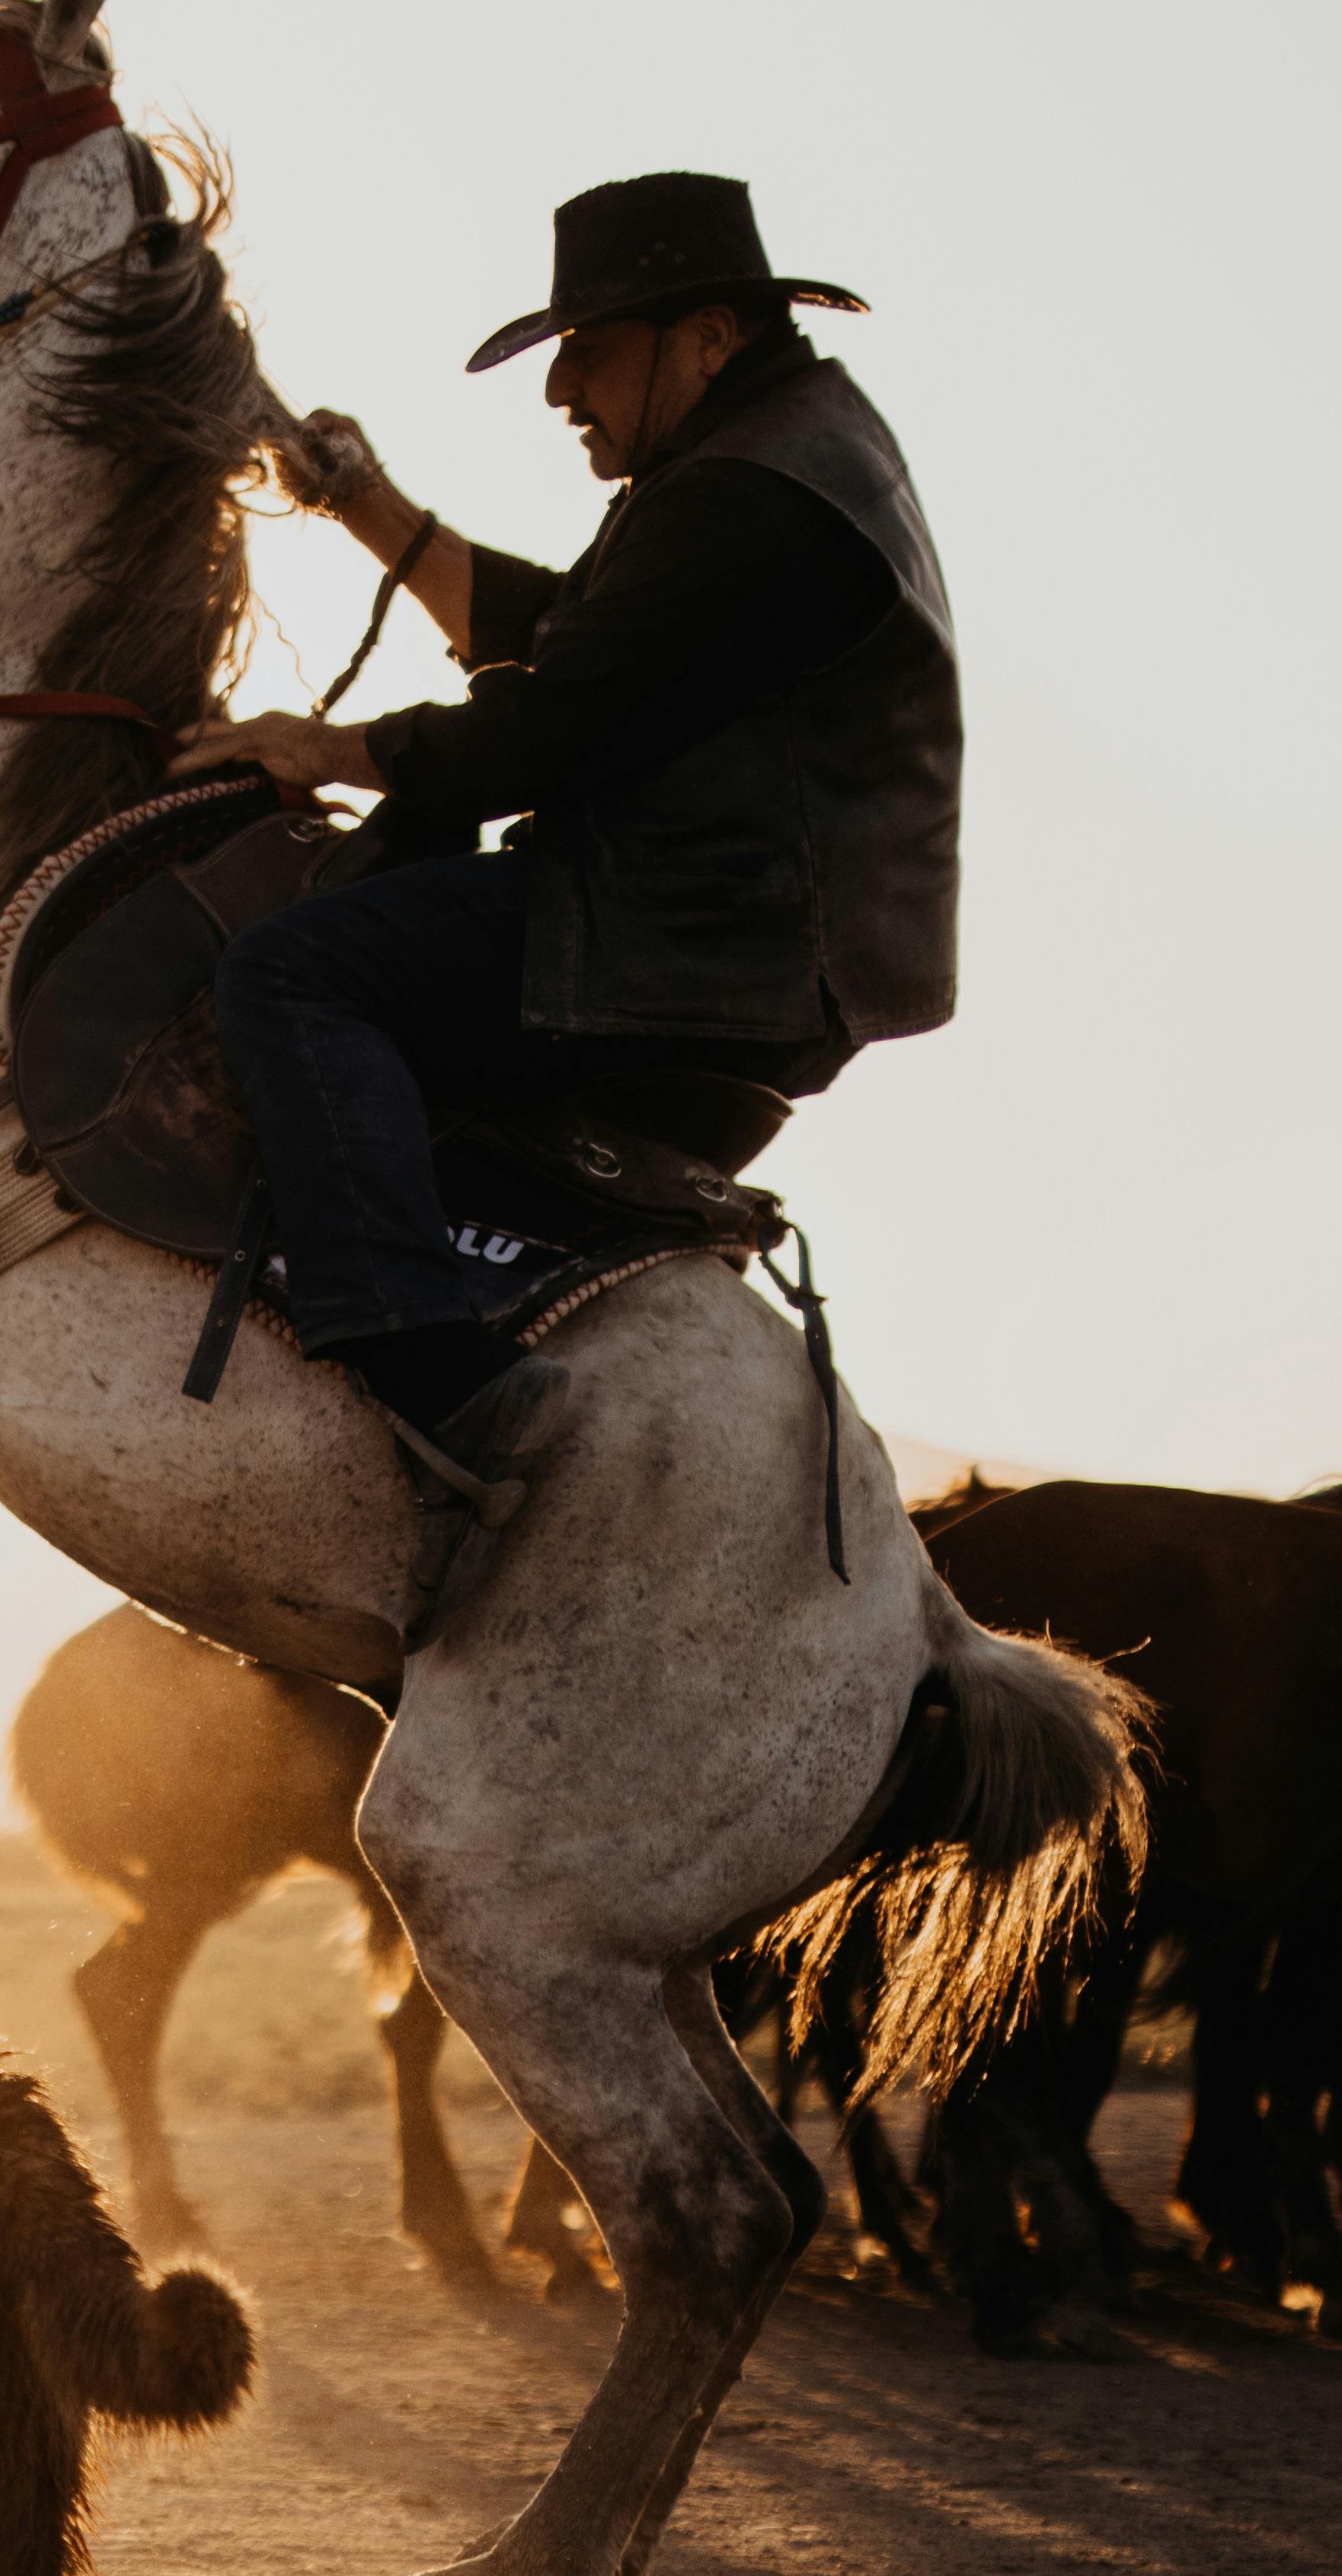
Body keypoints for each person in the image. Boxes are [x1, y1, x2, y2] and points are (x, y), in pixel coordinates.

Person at [170, 170, 960, 1642]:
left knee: (295, 975)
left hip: (697, 941)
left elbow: (554, 723)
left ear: (707, 334)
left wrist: (327, 748)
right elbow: (565, 641)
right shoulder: (773, 458)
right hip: (727, 932)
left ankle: (452, 1401)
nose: (561, 394)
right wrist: (364, 506)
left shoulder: (747, 497)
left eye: (586, 351)